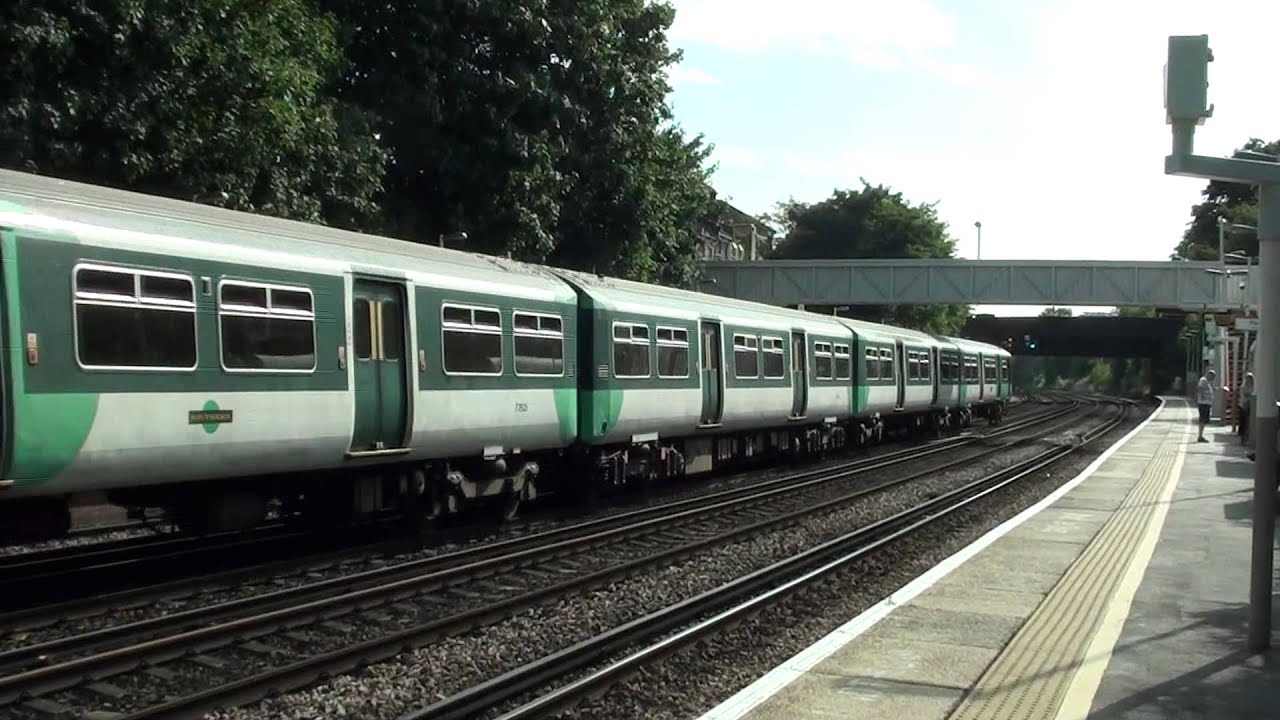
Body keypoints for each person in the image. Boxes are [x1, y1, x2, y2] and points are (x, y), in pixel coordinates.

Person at [1197, 368, 1216, 443]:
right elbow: (1200, 388)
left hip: (1206, 403)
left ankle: (1201, 435)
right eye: (1212, 377)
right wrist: (1202, 397)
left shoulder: (1207, 382)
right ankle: (1200, 436)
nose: (1212, 379)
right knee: (1202, 420)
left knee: (1204, 420)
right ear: (1209, 375)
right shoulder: (1203, 380)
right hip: (1203, 403)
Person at [1238, 372, 1254, 445]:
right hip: (1243, 406)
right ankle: (1243, 440)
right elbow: (1243, 397)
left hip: (1251, 406)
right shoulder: (1243, 387)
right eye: (1248, 378)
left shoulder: (1254, 386)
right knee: (1244, 423)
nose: (1249, 380)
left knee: (1249, 423)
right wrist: (1248, 398)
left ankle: (1248, 439)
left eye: (1250, 378)